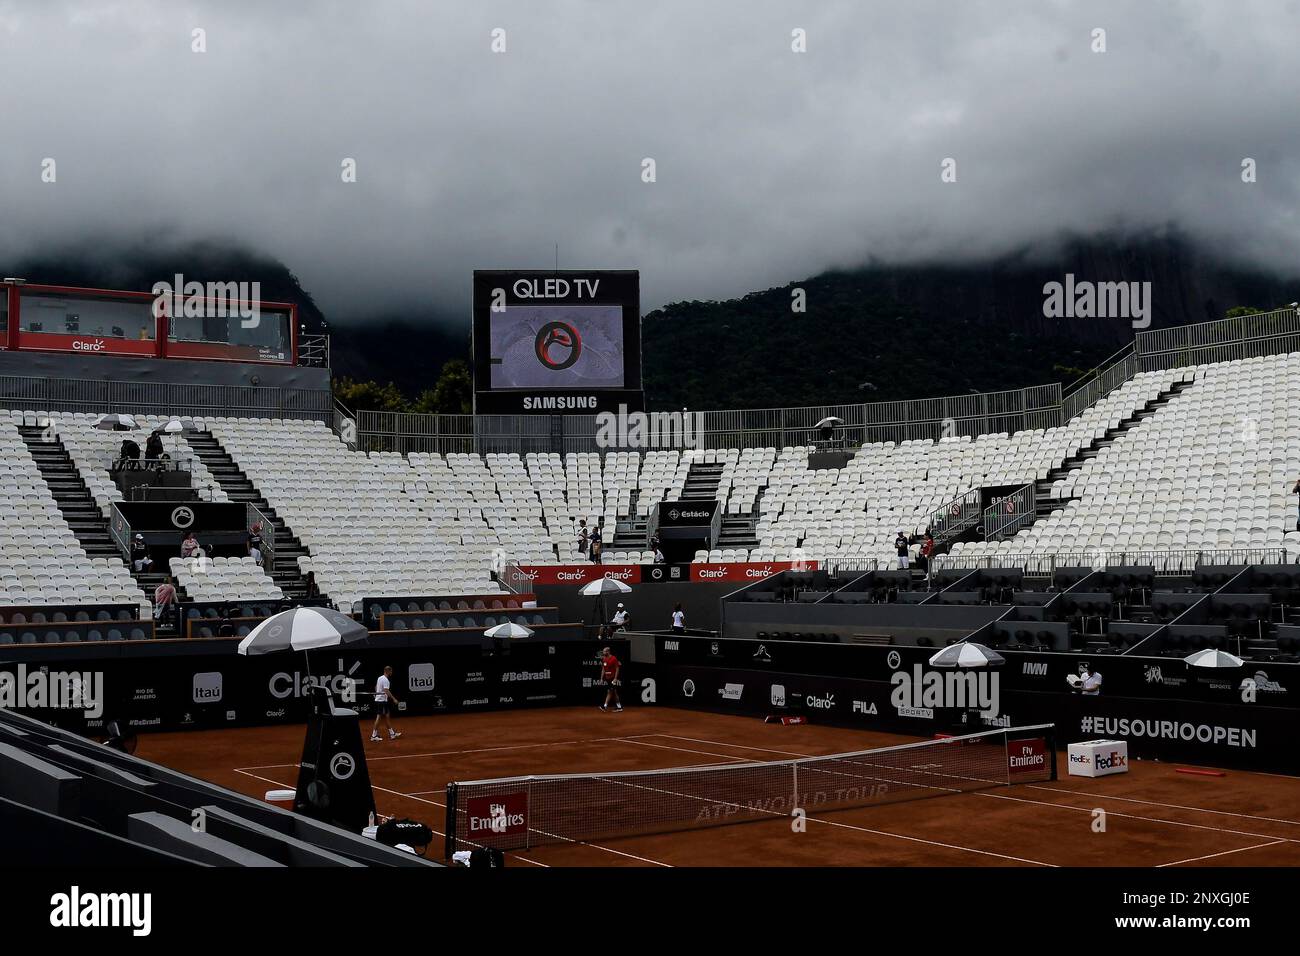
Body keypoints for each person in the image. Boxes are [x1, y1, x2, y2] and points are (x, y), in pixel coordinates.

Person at [370, 665, 402, 742]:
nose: (392, 673)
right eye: (391, 671)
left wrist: (376, 694)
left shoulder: (379, 678)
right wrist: (394, 699)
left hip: (381, 701)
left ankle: (392, 734)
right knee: (379, 717)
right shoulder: (386, 680)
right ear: (388, 671)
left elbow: (376, 687)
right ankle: (373, 736)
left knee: (387, 716)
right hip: (381, 701)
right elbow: (386, 691)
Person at [598, 645, 622, 712]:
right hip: (607, 678)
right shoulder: (604, 659)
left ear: (608, 651)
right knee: (614, 692)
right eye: (603, 651)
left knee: (610, 691)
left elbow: (617, 669)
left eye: (604, 651)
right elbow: (603, 669)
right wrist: (601, 679)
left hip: (612, 678)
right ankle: (619, 707)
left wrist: (615, 678)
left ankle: (604, 706)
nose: (603, 652)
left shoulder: (614, 658)